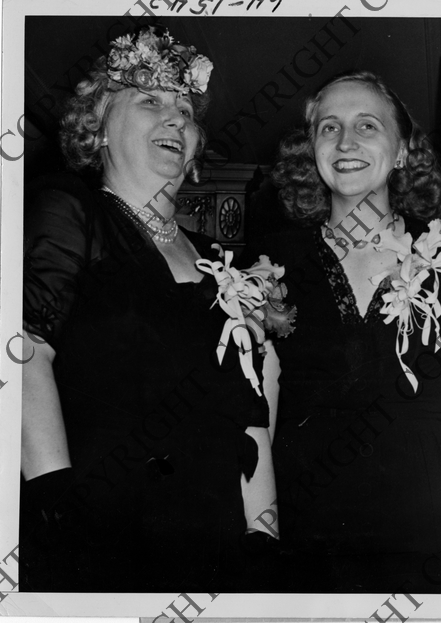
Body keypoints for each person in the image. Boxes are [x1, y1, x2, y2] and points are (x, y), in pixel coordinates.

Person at [21, 25, 278, 592]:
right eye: (149, 101)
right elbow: (25, 354)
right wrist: (57, 501)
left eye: (185, 110)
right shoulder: (71, 213)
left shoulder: (220, 262)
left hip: (214, 541)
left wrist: (263, 536)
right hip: (102, 535)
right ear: (98, 130)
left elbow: (250, 414)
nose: (175, 119)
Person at [264, 70, 441, 593]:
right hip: (309, 528)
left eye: (367, 125)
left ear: (401, 153)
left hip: (427, 526)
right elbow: (259, 409)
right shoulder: (274, 263)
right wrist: (261, 533)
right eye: (329, 127)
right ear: (311, 149)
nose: (345, 142)